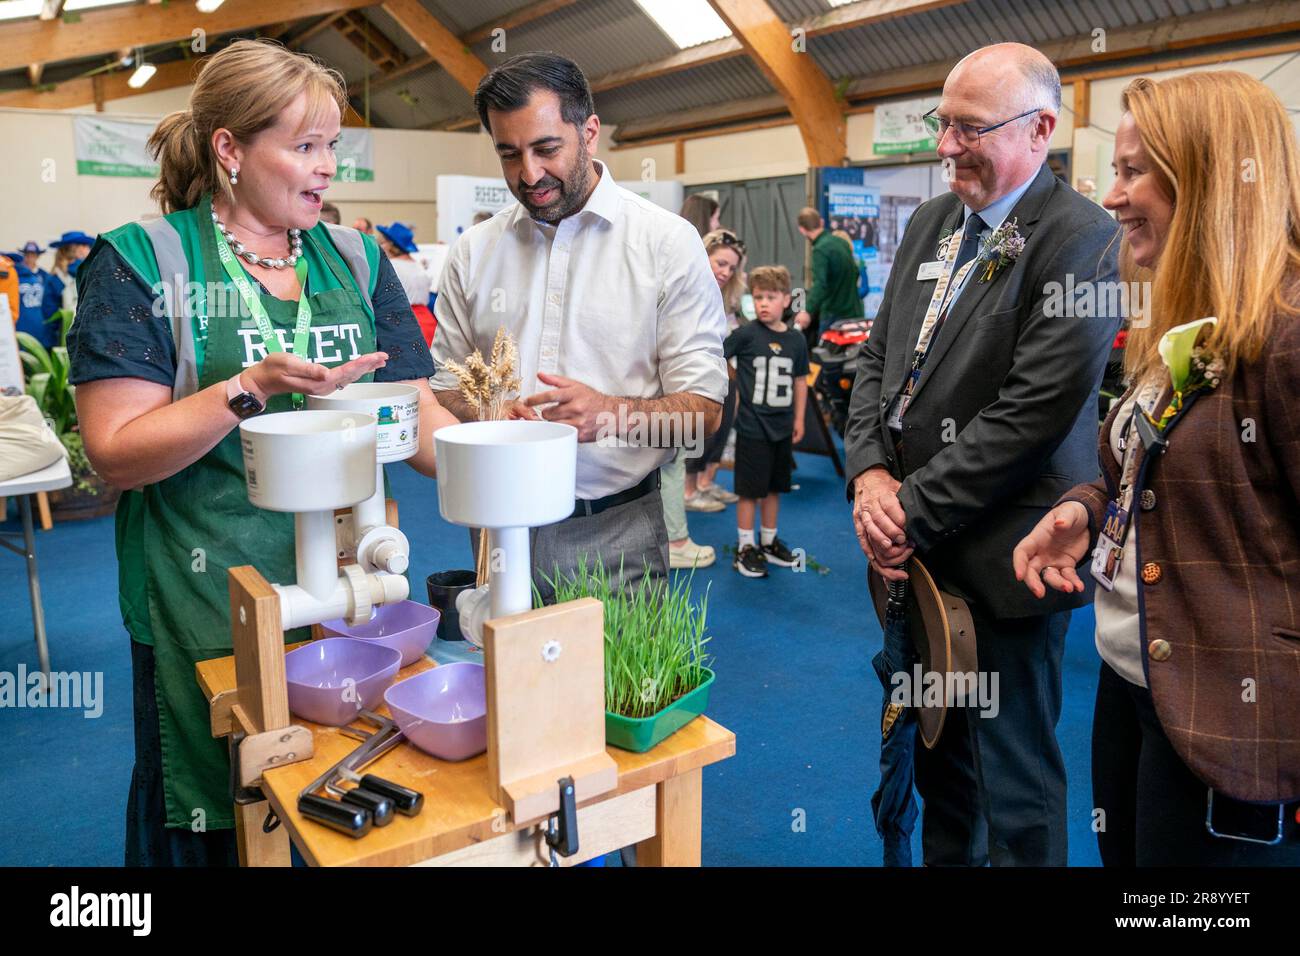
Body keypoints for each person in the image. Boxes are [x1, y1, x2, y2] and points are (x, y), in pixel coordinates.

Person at [65, 39, 457, 867]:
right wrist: (247, 387)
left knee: (335, 794)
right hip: (204, 591)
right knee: (221, 800)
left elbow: (418, 422)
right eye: (304, 146)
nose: (327, 170)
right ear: (231, 150)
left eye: (333, 147)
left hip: (355, 589)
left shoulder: (354, 258)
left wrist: (494, 433)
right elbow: (117, 454)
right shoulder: (145, 261)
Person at [843, 42, 1122, 867]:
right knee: (941, 768)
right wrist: (867, 476)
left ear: (1040, 129)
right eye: (943, 123)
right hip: (917, 561)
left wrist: (905, 514)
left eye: (968, 128)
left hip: (1011, 561)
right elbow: (876, 359)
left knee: (1017, 786)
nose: (943, 147)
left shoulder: (1087, 241)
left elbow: (1031, 414)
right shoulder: (935, 222)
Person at [1012, 70, 1300, 866]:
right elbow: (1149, 465)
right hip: (1135, 687)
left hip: (1237, 729)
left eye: (1134, 171)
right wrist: (1085, 508)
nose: (1111, 195)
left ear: (1207, 177)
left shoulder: (1287, 337)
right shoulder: (1191, 319)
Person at [431, 51, 726, 596]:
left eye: (546, 149)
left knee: (615, 683)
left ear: (589, 132)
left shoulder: (665, 244)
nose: (529, 174)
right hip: (495, 525)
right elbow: (446, 386)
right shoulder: (474, 252)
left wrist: (611, 416)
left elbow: (702, 418)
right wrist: (489, 411)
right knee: (505, 682)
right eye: (509, 154)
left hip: (615, 535)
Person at [727, 265, 808, 578]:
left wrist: (800, 418)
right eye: (757, 297)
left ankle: (769, 541)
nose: (762, 303)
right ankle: (745, 546)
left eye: (770, 297)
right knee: (749, 490)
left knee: (774, 488)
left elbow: (801, 380)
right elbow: (717, 356)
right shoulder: (746, 334)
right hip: (752, 426)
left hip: (782, 426)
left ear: (785, 300)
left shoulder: (796, 341)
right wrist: (737, 380)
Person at [684, 228, 746, 513]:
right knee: (698, 432)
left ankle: (705, 483)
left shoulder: (727, 296)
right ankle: (688, 490)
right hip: (696, 374)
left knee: (719, 432)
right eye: (720, 263)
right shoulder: (689, 289)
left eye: (731, 268)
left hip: (724, 372)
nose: (725, 272)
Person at [794, 207, 863, 352]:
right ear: (821, 222)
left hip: (833, 314)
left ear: (802, 230)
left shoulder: (820, 249)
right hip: (854, 312)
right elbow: (856, 272)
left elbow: (821, 284)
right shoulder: (841, 243)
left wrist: (807, 310)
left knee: (824, 360)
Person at [376, 221, 436, 345]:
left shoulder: (391, 266)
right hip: (428, 323)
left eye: (383, 242)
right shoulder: (418, 265)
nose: (381, 246)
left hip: (404, 323)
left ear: (390, 245)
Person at [10, 241, 64, 350]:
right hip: (23, 320)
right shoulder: (16, 274)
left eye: (33, 255)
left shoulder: (44, 276)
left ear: (38, 256)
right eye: (27, 255)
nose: (30, 258)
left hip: (40, 320)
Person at [50, 230, 95, 312]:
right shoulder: (90, 272)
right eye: (86, 245)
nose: (89, 248)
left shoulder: (53, 277)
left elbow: (48, 311)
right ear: (78, 249)